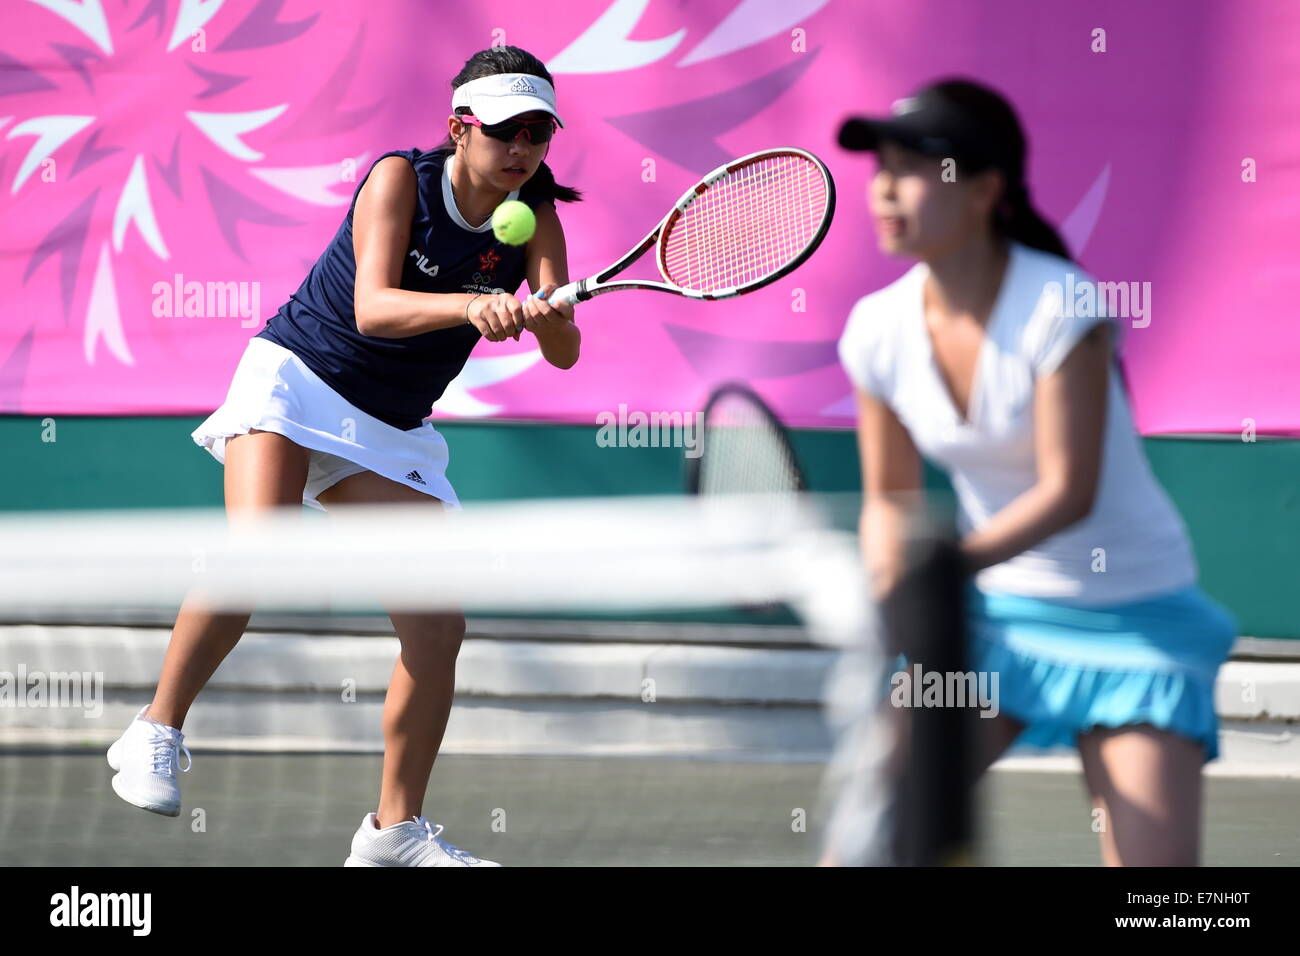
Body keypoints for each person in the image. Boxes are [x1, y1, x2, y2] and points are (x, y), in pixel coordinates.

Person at [105, 45, 581, 867]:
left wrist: (542, 317)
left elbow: (567, 353)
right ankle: (154, 729)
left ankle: (392, 834)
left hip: (388, 426)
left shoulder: (536, 216)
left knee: (437, 625)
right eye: (504, 131)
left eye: (537, 132)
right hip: (298, 380)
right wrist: (476, 306)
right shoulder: (398, 178)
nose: (521, 150)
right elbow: (373, 308)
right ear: (458, 129)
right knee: (259, 555)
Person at [831, 79, 1237, 866]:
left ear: (984, 190)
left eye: (913, 167)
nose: (883, 186)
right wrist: (894, 588)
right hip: (996, 624)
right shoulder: (875, 330)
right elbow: (889, 499)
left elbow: (1068, 491)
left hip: (1135, 621)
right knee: (869, 842)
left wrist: (945, 568)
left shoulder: (1062, 304)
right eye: (880, 165)